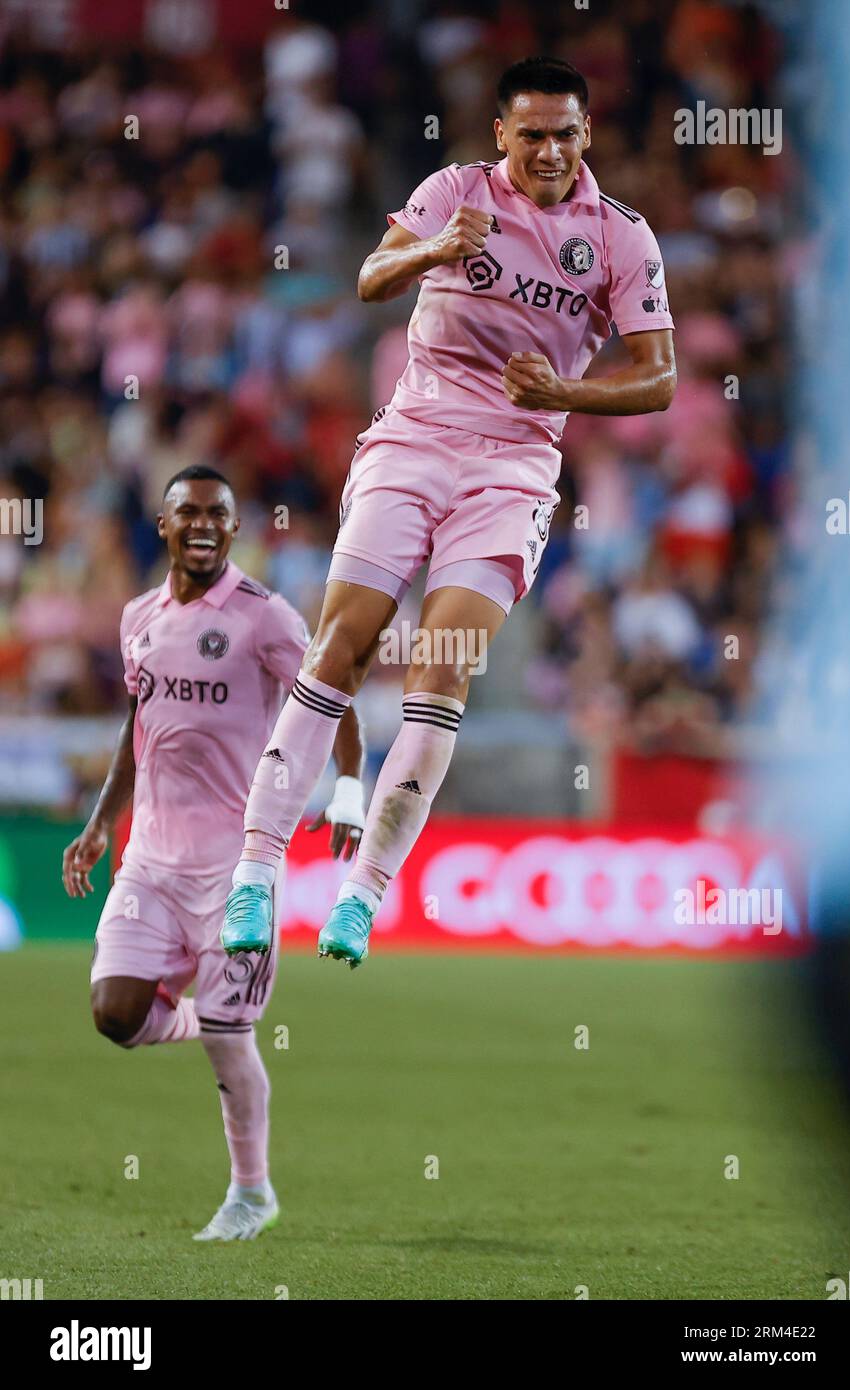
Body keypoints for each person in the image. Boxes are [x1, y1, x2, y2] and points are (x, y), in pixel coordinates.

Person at [222, 55, 676, 969]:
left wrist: (564, 393)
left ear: (587, 136)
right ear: (501, 134)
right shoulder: (453, 190)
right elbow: (368, 279)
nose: (550, 150)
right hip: (413, 440)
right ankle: (254, 874)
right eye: (533, 133)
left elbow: (659, 378)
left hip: (512, 469)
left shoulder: (623, 238)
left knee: (445, 669)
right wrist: (434, 250)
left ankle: (363, 897)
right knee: (340, 646)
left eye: (566, 133)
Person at [62, 465, 365, 1240]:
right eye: (187, 512)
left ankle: (251, 1193)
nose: (202, 524)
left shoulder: (267, 619)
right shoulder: (138, 618)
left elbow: (334, 695)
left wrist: (350, 788)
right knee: (113, 1014)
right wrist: (100, 823)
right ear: (163, 526)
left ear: (235, 531)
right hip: (150, 866)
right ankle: (212, 1018)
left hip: (240, 871)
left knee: (231, 1044)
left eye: (217, 515)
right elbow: (138, 728)